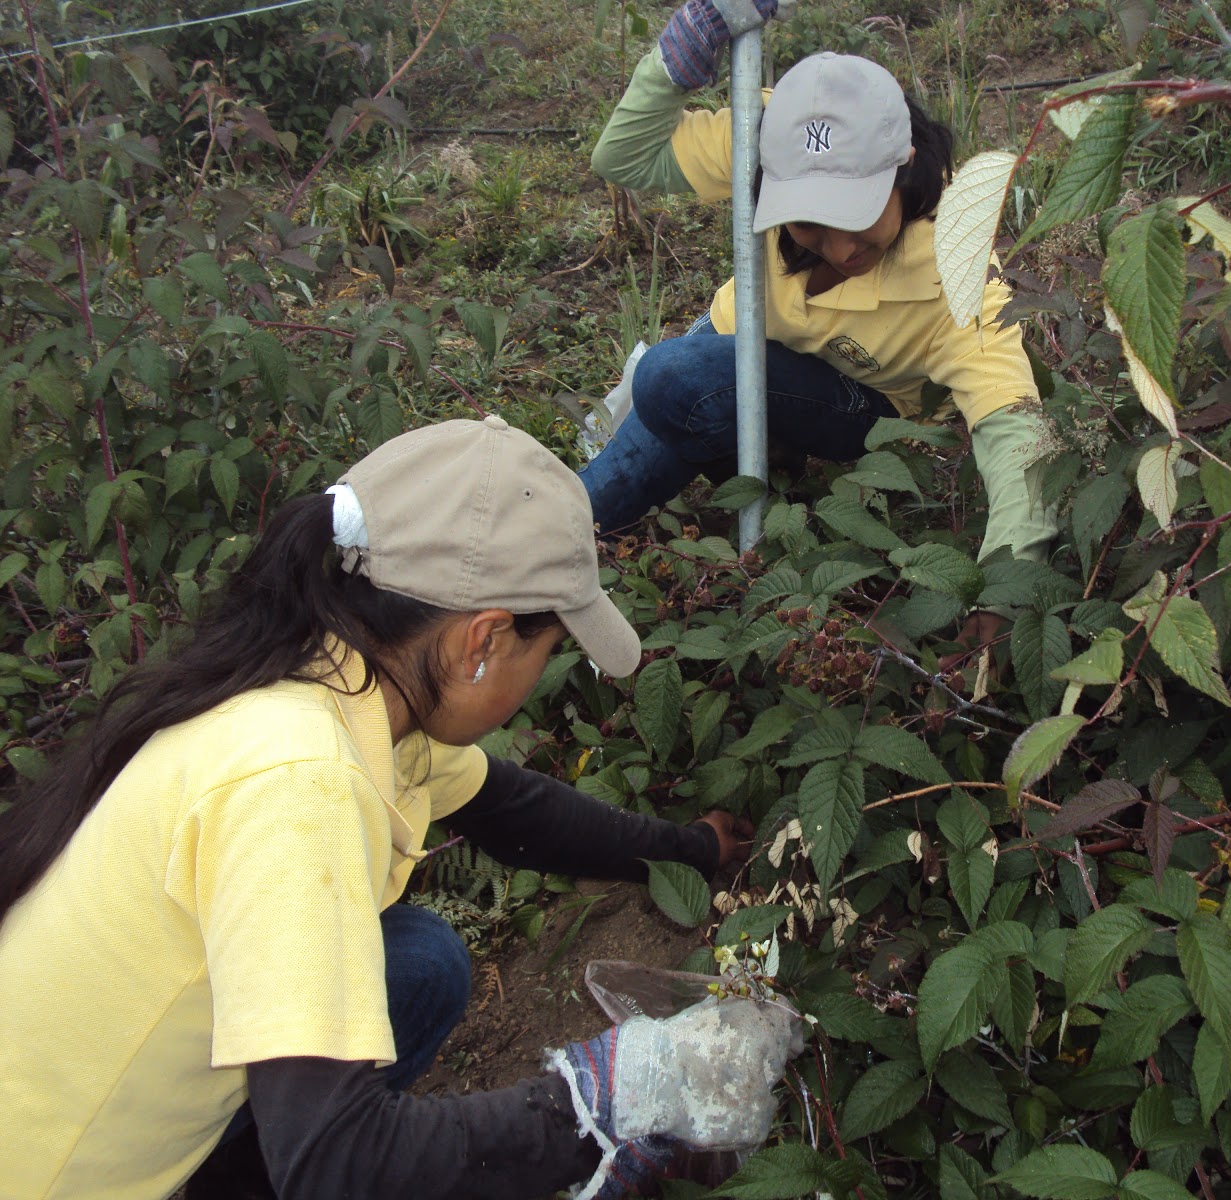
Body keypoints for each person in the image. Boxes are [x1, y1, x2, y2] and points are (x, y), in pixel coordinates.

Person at [0, 416, 803, 1200]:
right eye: (549, 647)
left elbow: (515, 809)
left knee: (418, 962)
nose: (537, 679)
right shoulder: (297, 782)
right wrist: (604, 1099)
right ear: (481, 641)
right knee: (403, 999)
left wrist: (690, 847)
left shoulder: (326, 677)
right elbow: (338, 1164)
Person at [580, 0, 1059, 657]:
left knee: (671, 382)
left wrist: (1006, 579)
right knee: (592, 495)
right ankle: (557, 539)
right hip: (737, 343)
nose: (839, 249)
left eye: (857, 217)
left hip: (858, 403)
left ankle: (731, 461)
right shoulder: (771, 134)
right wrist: (676, 62)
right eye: (809, 223)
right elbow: (624, 158)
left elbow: (1015, 433)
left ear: (904, 167)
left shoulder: (958, 270)